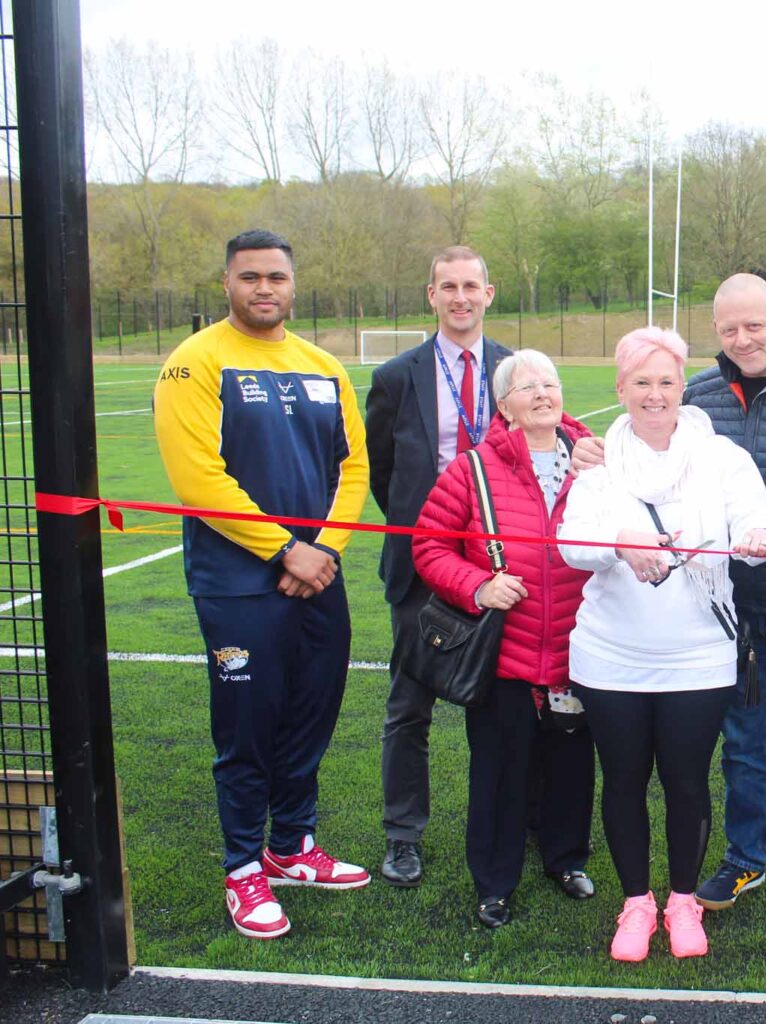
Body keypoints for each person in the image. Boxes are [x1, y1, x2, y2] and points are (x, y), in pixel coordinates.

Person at [573, 273, 766, 940]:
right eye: (728, 329)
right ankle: (746, 861)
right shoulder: (703, 393)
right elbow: (630, 451)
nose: (743, 338)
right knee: (744, 749)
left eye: (754, 324)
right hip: (733, 617)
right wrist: (592, 461)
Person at [153, 229, 370, 940]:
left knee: (311, 714)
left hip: (319, 578)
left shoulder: (322, 365)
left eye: (276, 276)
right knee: (247, 729)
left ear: (293, 283)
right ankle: (244, 866)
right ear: (227, 284)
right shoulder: (196, 362)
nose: (264, 289)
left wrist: (322, 551)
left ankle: (293, 847)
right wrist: (285, 551)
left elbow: (353, 470)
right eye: (250, 277)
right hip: (239, 584)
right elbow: (197, 479)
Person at [367, 247, 594, 896]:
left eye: (471, 286)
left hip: (515, 570)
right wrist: (443, 533)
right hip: (431, 565)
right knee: (409, 707)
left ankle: (532, 828)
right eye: (449, 287)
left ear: (489, 293)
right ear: (431, 294)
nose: (461, 297)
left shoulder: (517, 372)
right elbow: (387, 473)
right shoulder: (396, 376)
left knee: (528, 703)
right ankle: (403, 835)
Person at [558, 326, 766, 961]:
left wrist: (762, 537)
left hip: (698, 657)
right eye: (641, 383)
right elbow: (573, 544)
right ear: (621, 389)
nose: (654, 395)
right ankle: (637, 904)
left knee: (687, 782)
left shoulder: (720, 457)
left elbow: (760, 514)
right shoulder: (599, 464)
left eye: (666, 382)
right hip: (610, 657)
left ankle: (683, 900)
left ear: (683, 387)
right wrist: (621, 546)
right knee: (624, 781)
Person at [411, 350, 596, 927]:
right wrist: (478, 586)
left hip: (578, 649)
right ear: (505, 406)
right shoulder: (472, 468)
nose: (542, 393)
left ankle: (566, 858)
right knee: (499, 771)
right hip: (504, 655)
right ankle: (495, 880)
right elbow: (429, 546)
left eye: (551, 382)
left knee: (571, 764)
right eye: (526, 387)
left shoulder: (597, 461)